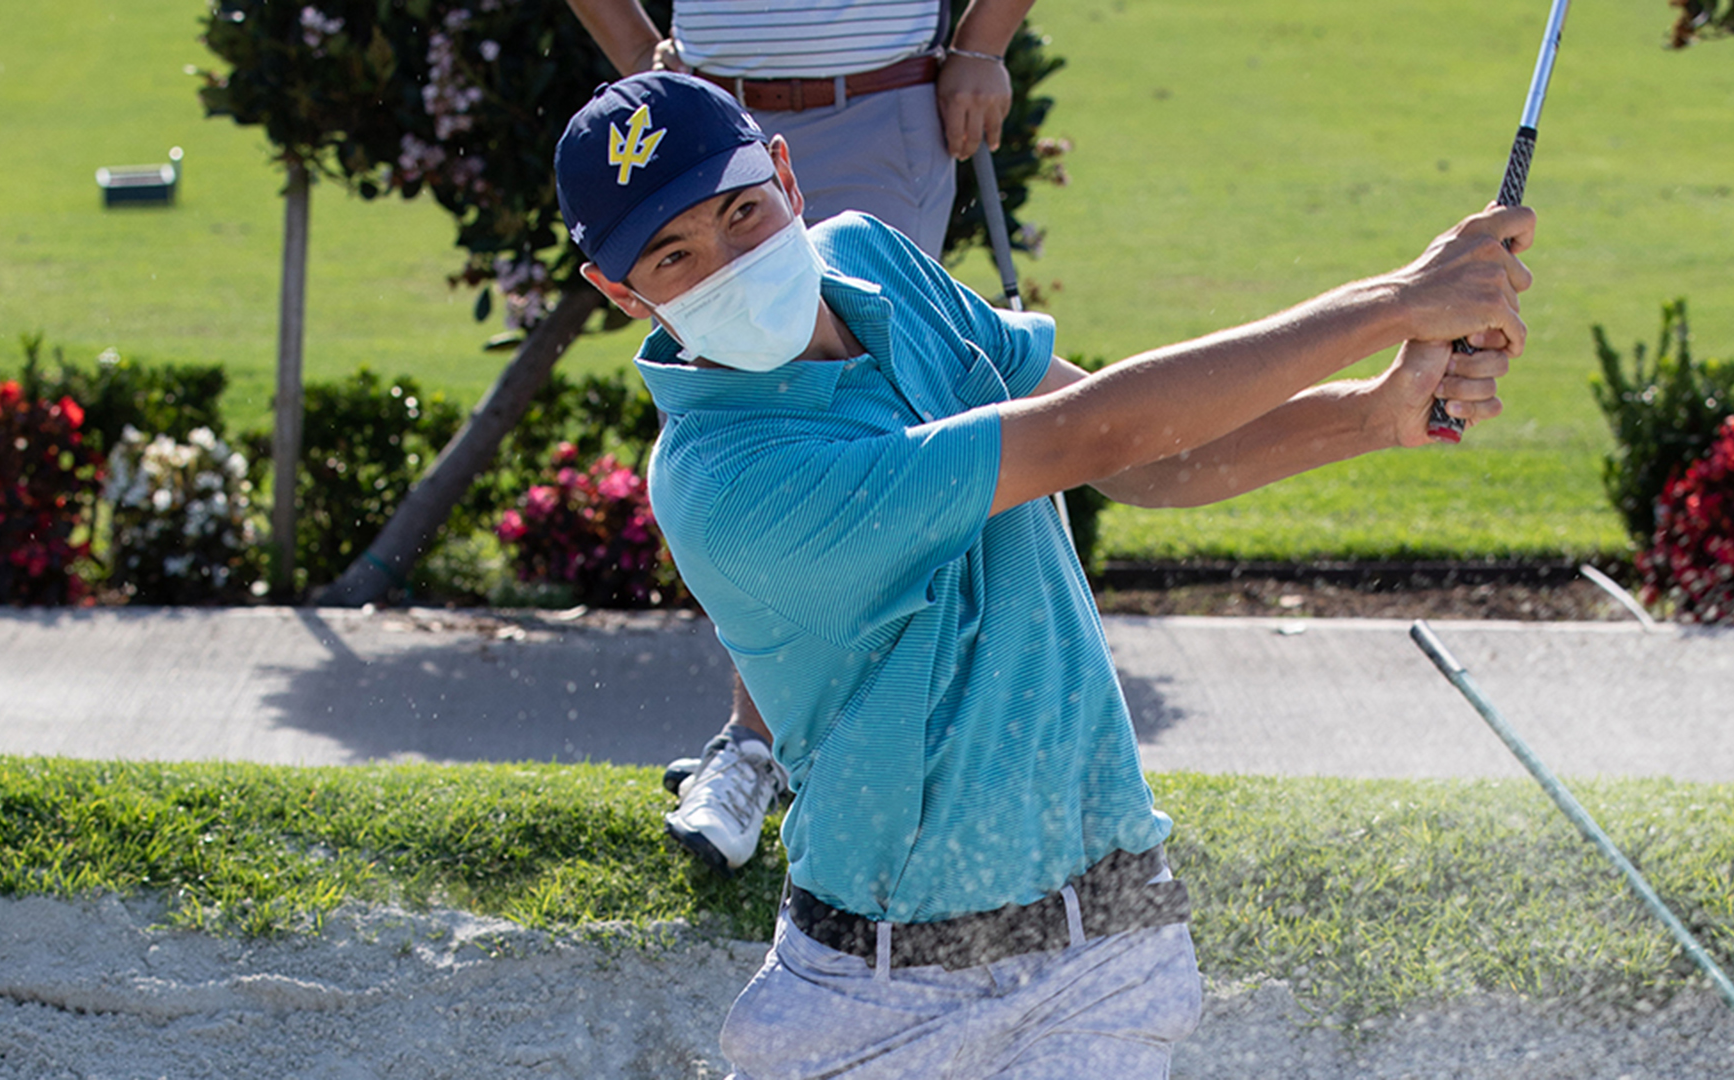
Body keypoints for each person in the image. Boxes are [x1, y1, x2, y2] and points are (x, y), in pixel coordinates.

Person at [554, 73, 1531, 1077]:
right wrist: (1398, 299)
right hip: (884, 1007)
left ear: (787, 177)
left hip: (1109, 941)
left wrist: (1374, 413)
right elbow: (1093, 430)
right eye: (674, 256)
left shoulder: (870, 261)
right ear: (622, 294)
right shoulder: (731, 487)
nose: (732, 261)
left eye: (740, 212)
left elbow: (1141, 457)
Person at [563, 0, 1037, 874]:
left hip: (879, 96)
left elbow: (1087, 428)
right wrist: (646, 68)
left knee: (857, 411)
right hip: (700, 108)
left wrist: (983, 40)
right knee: (740, 411)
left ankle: (864, 747)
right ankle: (762, 744)